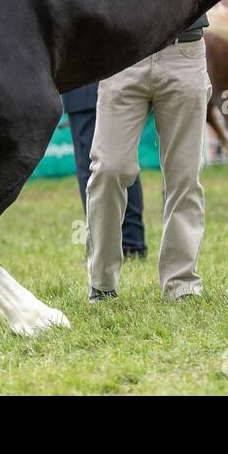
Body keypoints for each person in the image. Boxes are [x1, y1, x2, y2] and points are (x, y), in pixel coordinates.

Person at [86, 16, 210, 302]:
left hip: (184, 51)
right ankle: (102, 283)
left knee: (185, 177)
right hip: (122, 53)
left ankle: (182, 285)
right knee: (109, 168)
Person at [62, 84, 146, 260]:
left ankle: (107, 249)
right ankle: (132, 243)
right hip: (117, 87)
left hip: (85, 89)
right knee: (124, 164)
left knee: (92, 167)